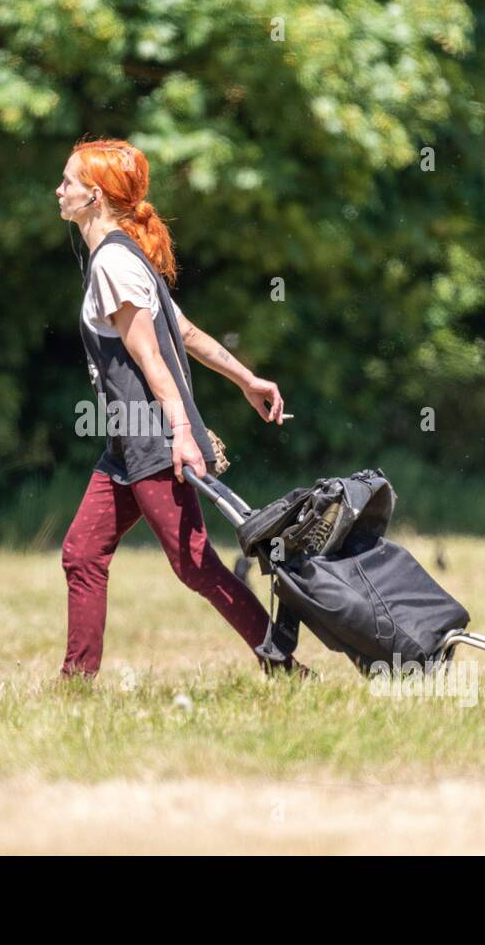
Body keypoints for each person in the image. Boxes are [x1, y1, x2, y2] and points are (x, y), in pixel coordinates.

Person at [55, 135, 313, 681]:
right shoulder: (125, 254)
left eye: (69, 183)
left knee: (195, 564)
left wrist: (181, 432)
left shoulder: (114, 263)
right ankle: (75, 685)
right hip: (129, 440)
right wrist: (247, 379)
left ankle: (286, 668)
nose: (59, 191)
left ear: (94, 197)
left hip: (154, 437)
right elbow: (187, 332)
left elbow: (152, 355)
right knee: (82, 553)